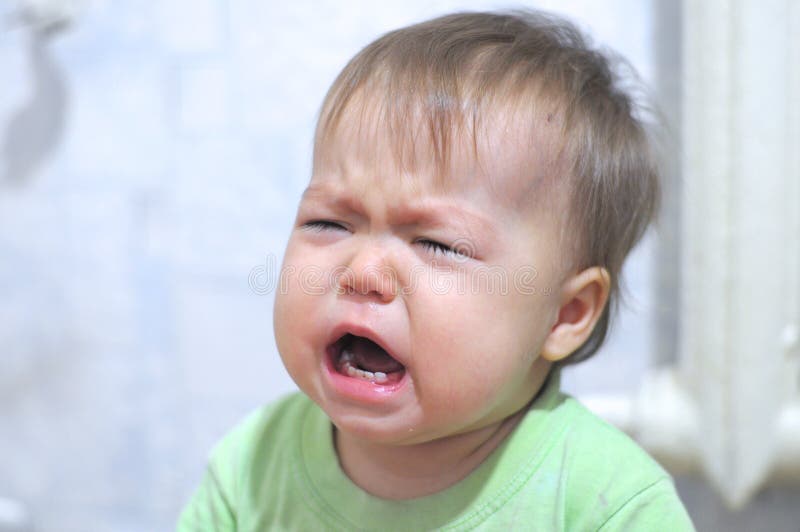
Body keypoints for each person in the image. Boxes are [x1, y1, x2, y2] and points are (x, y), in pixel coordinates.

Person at [178, 10, 694, 531]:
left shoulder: (607, 504)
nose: (364, 271)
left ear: (565, 313)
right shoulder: (252, 471)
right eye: (329, 222)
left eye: (436, 243)